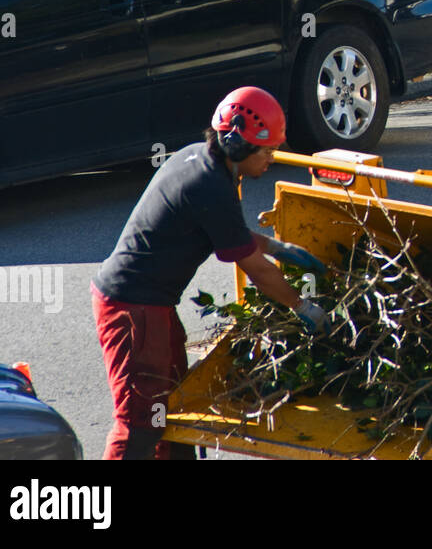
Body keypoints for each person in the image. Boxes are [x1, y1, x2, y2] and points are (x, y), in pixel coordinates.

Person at [91, 86, 328, 460]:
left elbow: (225, 229)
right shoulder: (210, 184)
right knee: (139, 422)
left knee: (174, 406)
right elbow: (258, 272)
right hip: (132, 309)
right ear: (237, 145)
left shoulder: (200, 160)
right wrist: (304, 307)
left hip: (151, 306)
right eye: (267, 150)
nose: (272, 158)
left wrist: (277, 246)